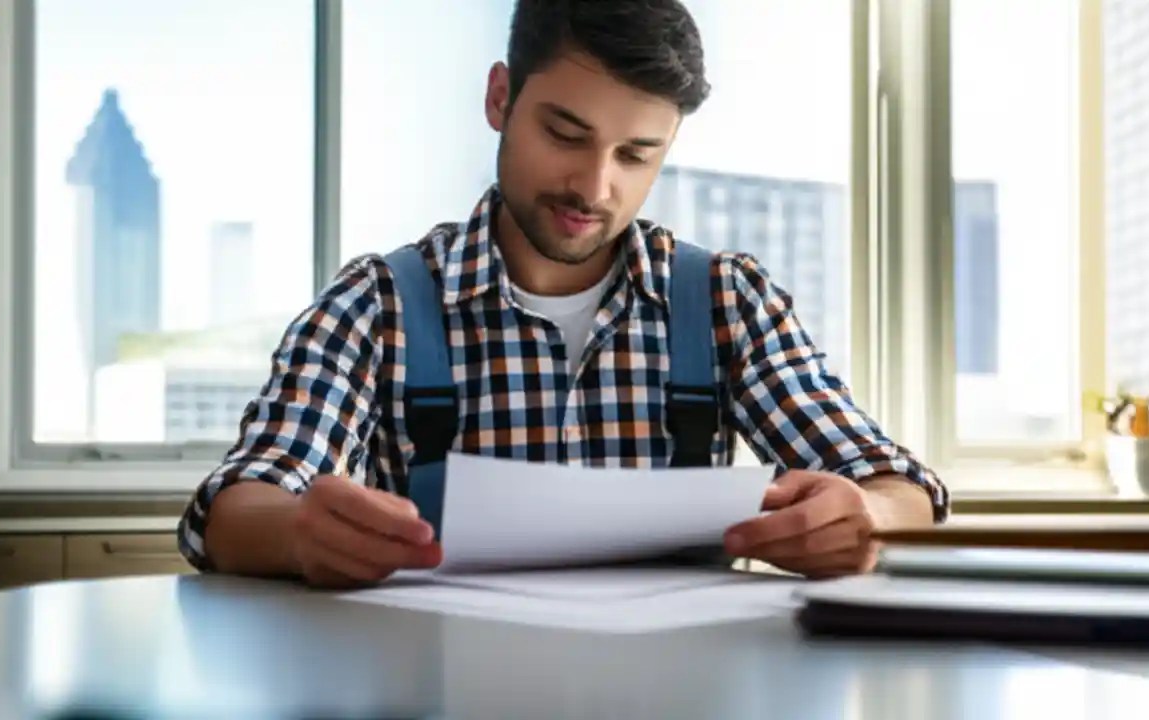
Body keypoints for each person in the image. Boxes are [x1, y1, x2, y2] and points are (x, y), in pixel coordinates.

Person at [177, 0, 948, 588]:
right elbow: (234, 511)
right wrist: (298, 534)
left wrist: (868, 519)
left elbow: (900, 486)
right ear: (500, 99)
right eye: (565, 134)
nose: (594, 185)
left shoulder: (724, 303)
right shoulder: (376, 305)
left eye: (636, 155)